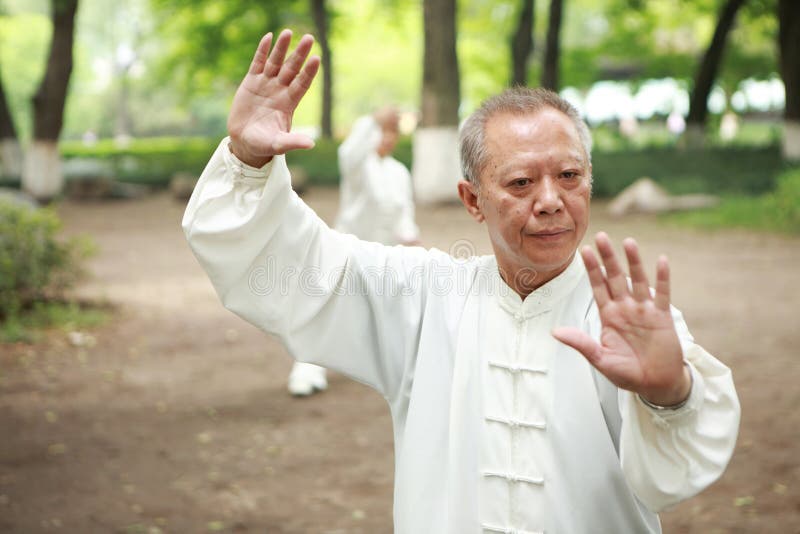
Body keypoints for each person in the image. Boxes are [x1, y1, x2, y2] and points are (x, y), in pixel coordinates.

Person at [183, 30, 740, 533]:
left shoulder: (627, 318)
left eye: (569, 176)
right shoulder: (423, 300)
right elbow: (301, 270)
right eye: (521, 182)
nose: (551, 201)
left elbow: (680, 470)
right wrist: (247, 159)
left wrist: (671, 394)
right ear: (472, 199)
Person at [288, 105, 420, 396]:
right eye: (382, 132)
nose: (386, 139)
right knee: (327, 309)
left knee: (387, 310)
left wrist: (409, 237)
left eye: (392, 133)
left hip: (384, 254)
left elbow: (404, 212)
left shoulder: (399, 172)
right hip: (347, 248)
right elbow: (349, 153)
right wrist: (372, 120)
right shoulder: (361, 166)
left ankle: (394, 369)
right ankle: (307, 370)